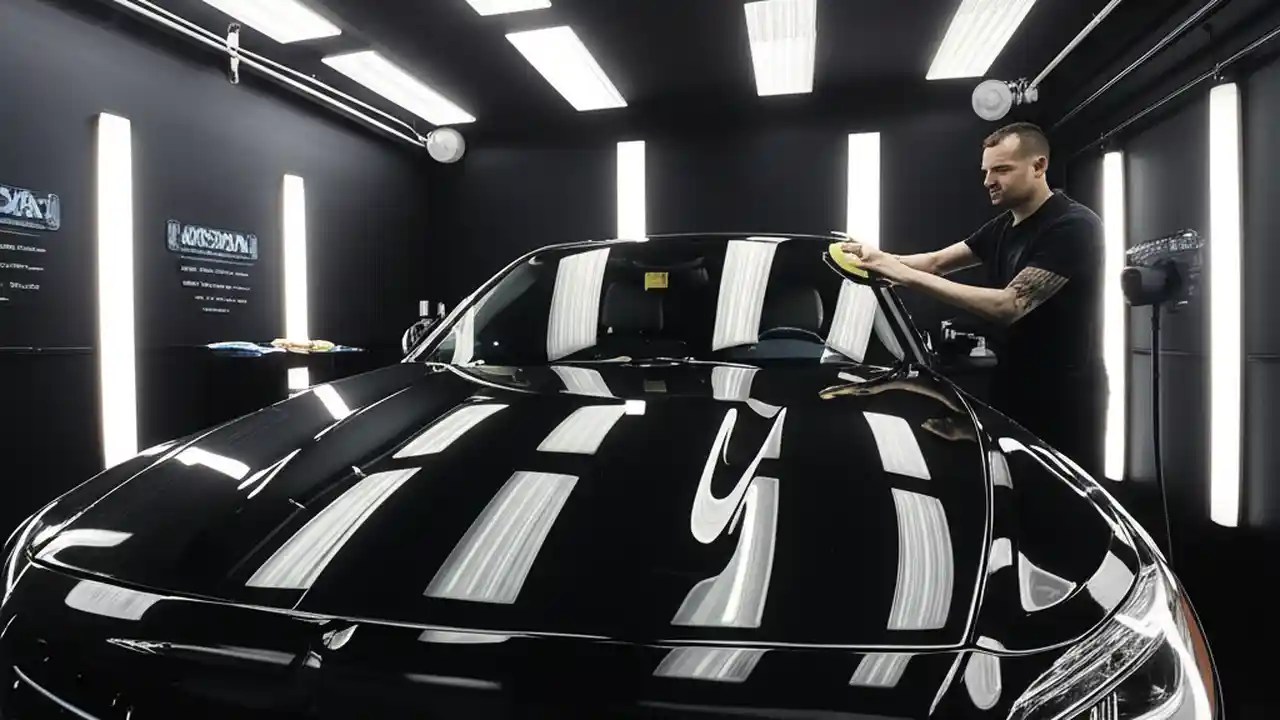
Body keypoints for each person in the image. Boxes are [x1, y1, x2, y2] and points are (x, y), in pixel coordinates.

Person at [840, 122, 1107, 478]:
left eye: (1002, 169)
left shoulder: (1073, 226)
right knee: (1009, 492)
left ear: (1039, 166)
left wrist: (901, 274)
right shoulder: (1004, 225)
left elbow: (1009, 305)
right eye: (986, 171)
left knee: (1057, 506)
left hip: (1063, 398)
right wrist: (874, 257)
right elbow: (935, 262)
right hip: (1012, 384)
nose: (988, 181)